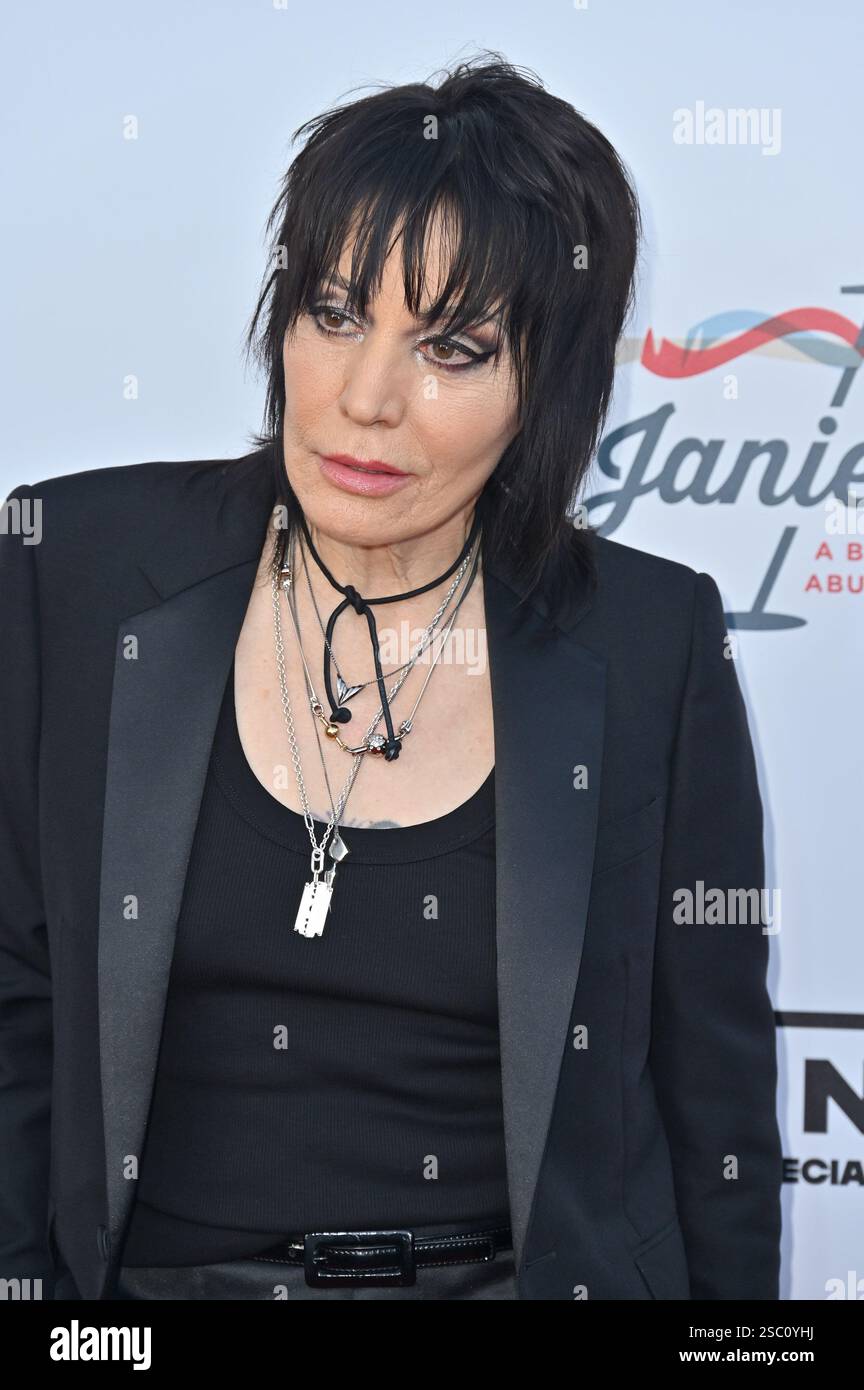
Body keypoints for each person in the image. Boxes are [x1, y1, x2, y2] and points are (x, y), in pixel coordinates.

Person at [0, 54, 782, 1302]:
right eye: (335, 311)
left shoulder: (651, 641)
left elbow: (716, 1108)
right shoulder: (73, 575)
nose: (366, 398)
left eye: (454, 348)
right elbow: (16, 1010)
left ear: (552, 389)